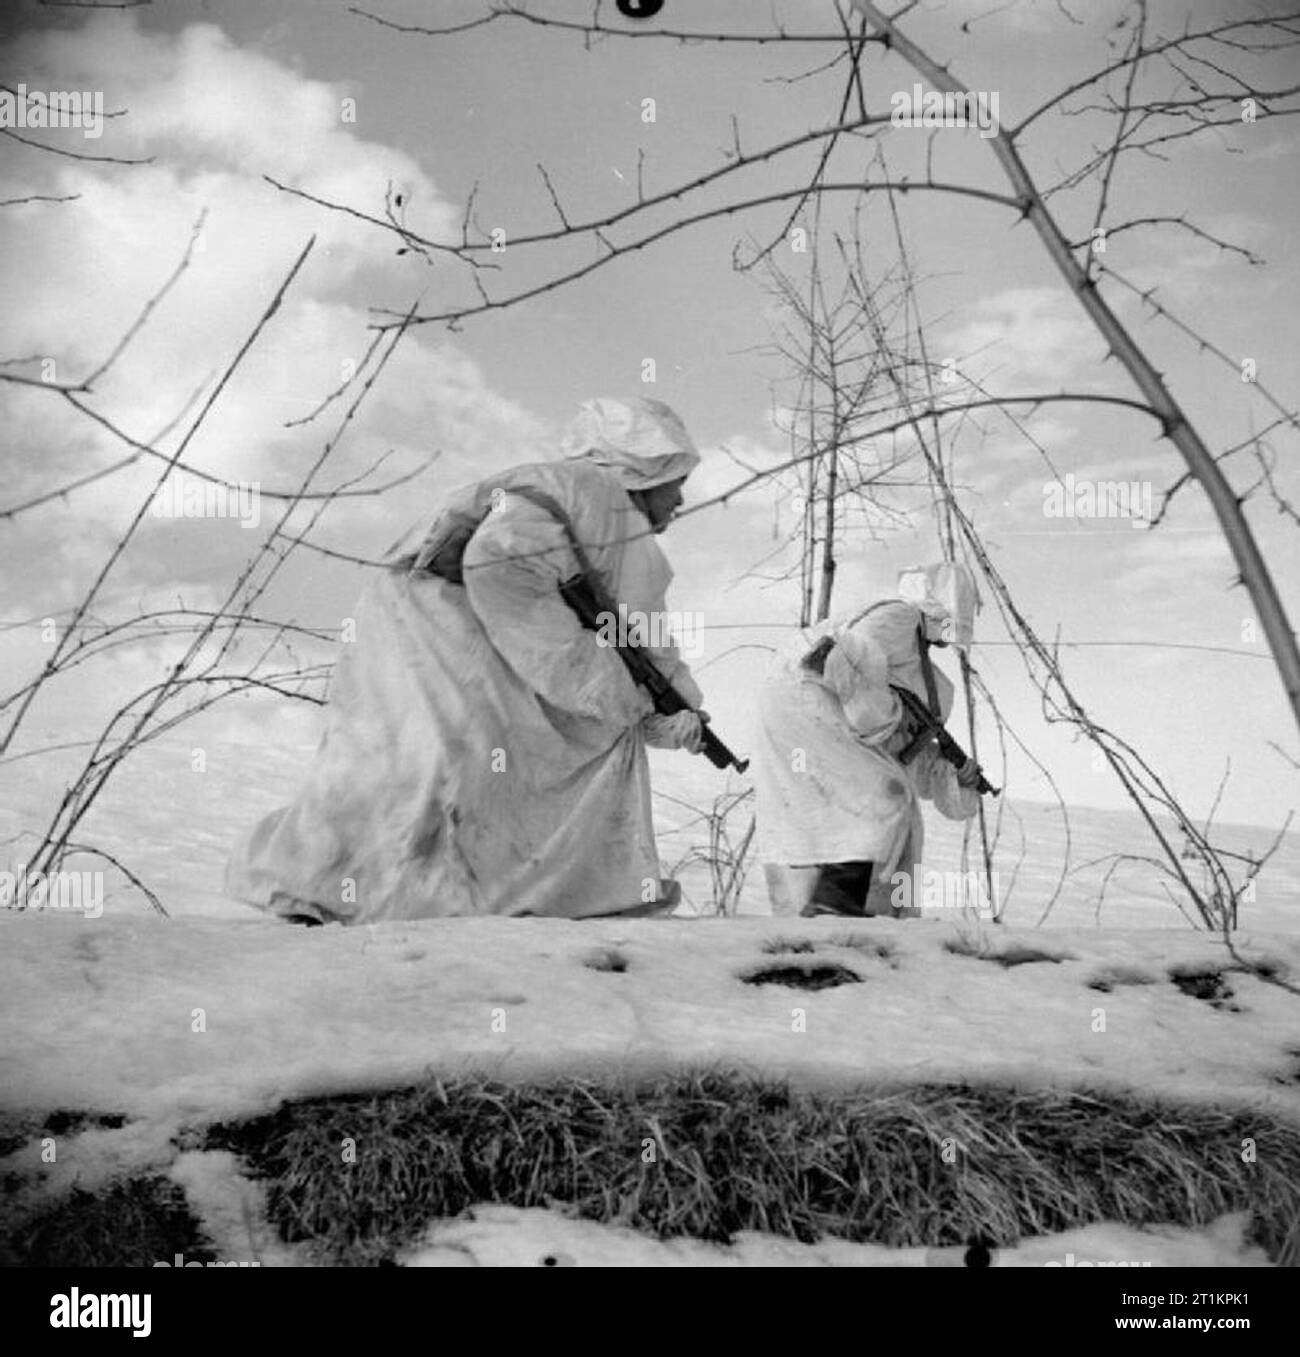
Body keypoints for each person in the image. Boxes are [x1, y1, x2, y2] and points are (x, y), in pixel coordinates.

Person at [225, 396, 708, 924]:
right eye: (676, 480)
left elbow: (637, 638)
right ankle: (408, 898)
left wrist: (664, 704)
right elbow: (500, 563)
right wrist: (611, 690)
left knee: (411, 757)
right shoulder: (600, 497)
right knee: (450, 756)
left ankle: (337, 888)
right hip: (444, 621)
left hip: (416, 613)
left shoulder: (588, 499)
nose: (681, 498)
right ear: (644, 469)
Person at [754, 562, 983, 919]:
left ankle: (841, 909)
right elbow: (839, 657)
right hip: (808, 697)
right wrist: (884, 712)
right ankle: (835, 902)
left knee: (883, 798)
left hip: (800, 704)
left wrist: (953, 776)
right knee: (880, 794)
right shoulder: (899, 616)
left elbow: (904, 753)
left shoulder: (923, 671)